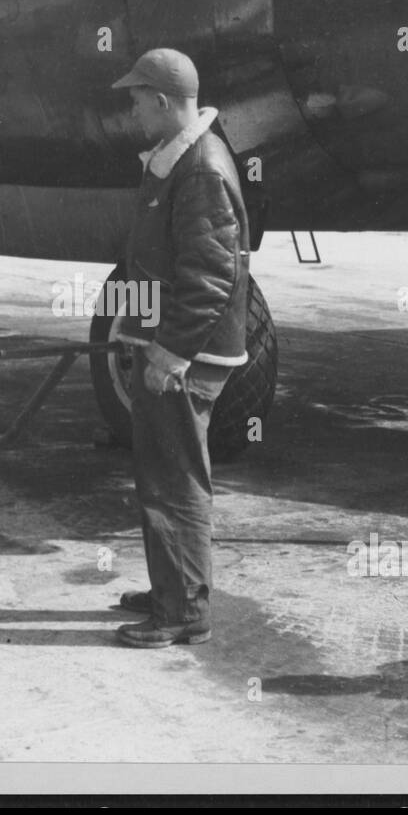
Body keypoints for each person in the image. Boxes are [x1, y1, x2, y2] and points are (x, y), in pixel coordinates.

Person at [108, 48, 250, 649]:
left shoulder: (200, 169)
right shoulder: (179, 159)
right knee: (164, 474)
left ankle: (184, 610)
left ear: (163, 101)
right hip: (169, 341)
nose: (133, 109)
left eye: (138, 98)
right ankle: (173, 587)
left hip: (185, 354)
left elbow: (211, 275)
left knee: (175, 481)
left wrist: (170, 352)